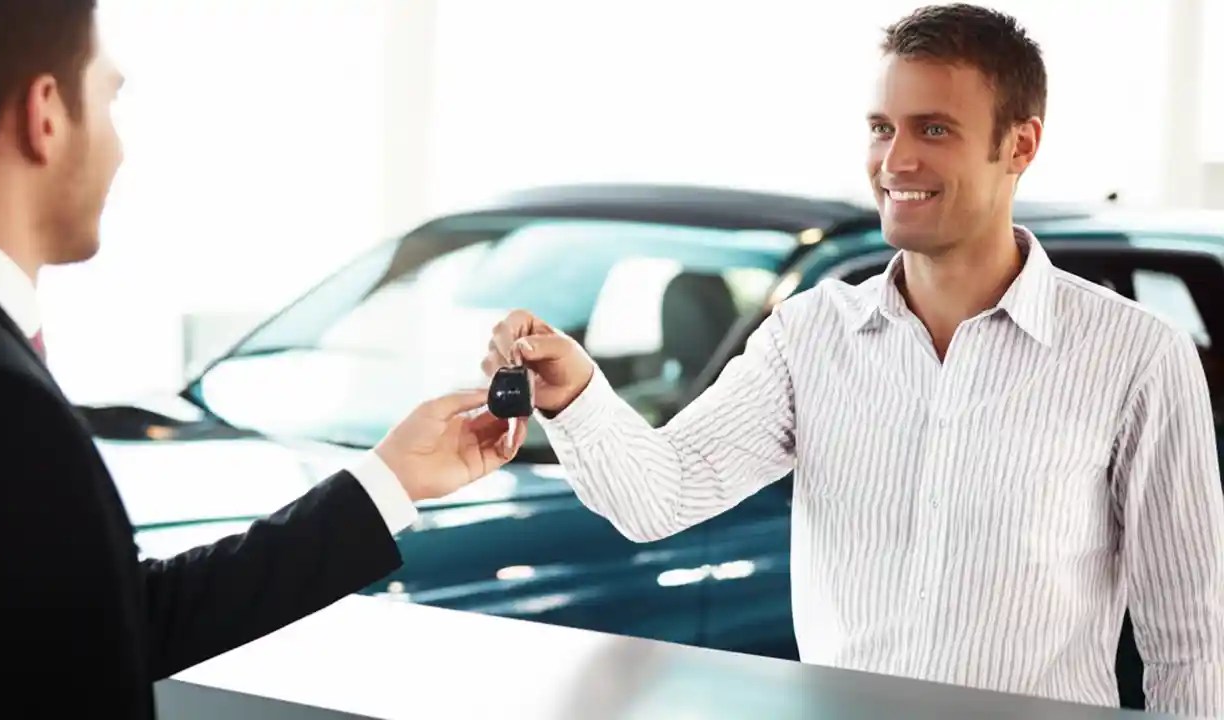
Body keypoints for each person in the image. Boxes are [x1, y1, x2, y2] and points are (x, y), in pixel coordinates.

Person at [484, 3, 1224, 717]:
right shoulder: (808, 337)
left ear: (1020, 145)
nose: (895, 161)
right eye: (881, 128)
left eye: (934, 129)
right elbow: (660, 497)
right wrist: (576, 393)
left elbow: (1189, 636)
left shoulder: (1135, 357)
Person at [0, 2, 526, 717]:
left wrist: (388, 479)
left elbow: (114, 624)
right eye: (108, 98)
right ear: (45, 116)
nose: (119, 150)